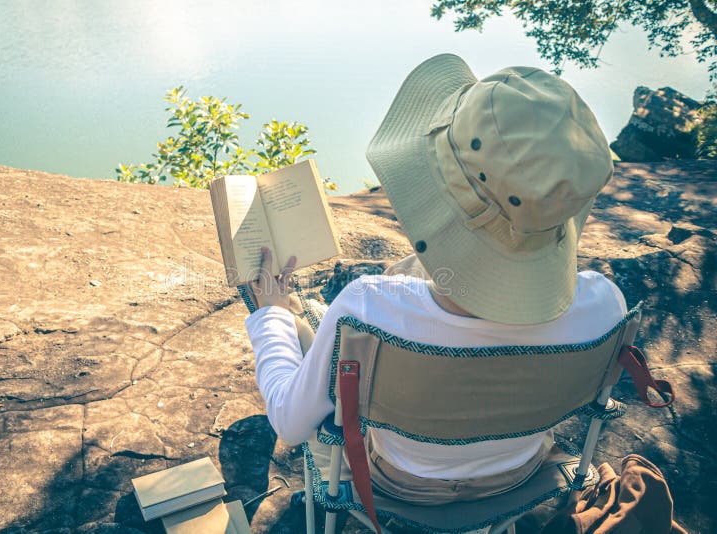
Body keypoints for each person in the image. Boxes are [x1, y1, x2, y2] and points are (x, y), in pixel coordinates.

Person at [244, 54, 627, 502]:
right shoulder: (604, 306)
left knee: (304, 327)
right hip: (520, 475)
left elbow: (289, 422)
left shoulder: (369, 311)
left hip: (397, 483)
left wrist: (271, 314)